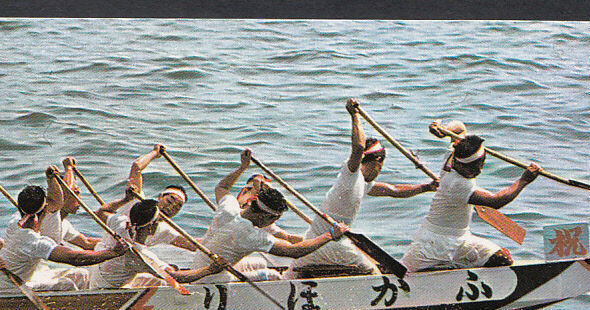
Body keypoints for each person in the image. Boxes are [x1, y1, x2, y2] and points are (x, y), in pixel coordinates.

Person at [290, 98, 439, 277]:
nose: (380, 171)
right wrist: (355, 115)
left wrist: (426, 187)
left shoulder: (364, 183)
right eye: (382, 166)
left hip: (315, 241)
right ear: (378, 161)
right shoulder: (351, 175)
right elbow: (358, 147)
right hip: (332, 243)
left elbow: (394, 190)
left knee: (291, 275)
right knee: (374, 272)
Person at [186, 149, 349, 284]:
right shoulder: (251, 235)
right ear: (266, 218)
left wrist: (242, 167)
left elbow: (222, 187)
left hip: (198, 266)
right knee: (274, 276)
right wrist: (330, 235)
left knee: (261, 262)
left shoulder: (229, 207)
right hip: (212, 281)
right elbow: (295, 252)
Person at [400, 132, 541, 272]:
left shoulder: (452, 154)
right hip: (432, 243)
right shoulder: (458, 184)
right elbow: (496, 201)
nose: (478, 171)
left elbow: (459, 129)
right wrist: (524, 180)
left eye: (481, 164)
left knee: (502, 259)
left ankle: (450, 270)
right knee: (402, 274)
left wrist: (445, 129)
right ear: (459, 164)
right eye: (472, 168)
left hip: (462, 240)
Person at [0, 184, 128, 293]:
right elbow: (75, 258)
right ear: (45, 210)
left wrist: (51, 178)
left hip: (12, 280)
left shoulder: (15, 222)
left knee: (82, 275)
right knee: (67, 285)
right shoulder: (33, 241)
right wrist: (113, 253)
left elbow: (84, 244)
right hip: (9, 289)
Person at [90, 198, 221, 290]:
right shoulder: (141, 255)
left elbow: (101, 212)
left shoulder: (120, 221)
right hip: (105, 290)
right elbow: (176, 278)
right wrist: (210, 270)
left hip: (96, 275)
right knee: (168, 278)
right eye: (158, 222)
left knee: (162, 272)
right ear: (151, 228)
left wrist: (125, 199)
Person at [41, 159, 101, 249]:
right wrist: (68, 168)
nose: (79, 199)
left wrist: (116, 241)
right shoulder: (48, 213)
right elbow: (67, 192)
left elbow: (86, 243)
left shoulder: (64, 224)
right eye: (76, 193)